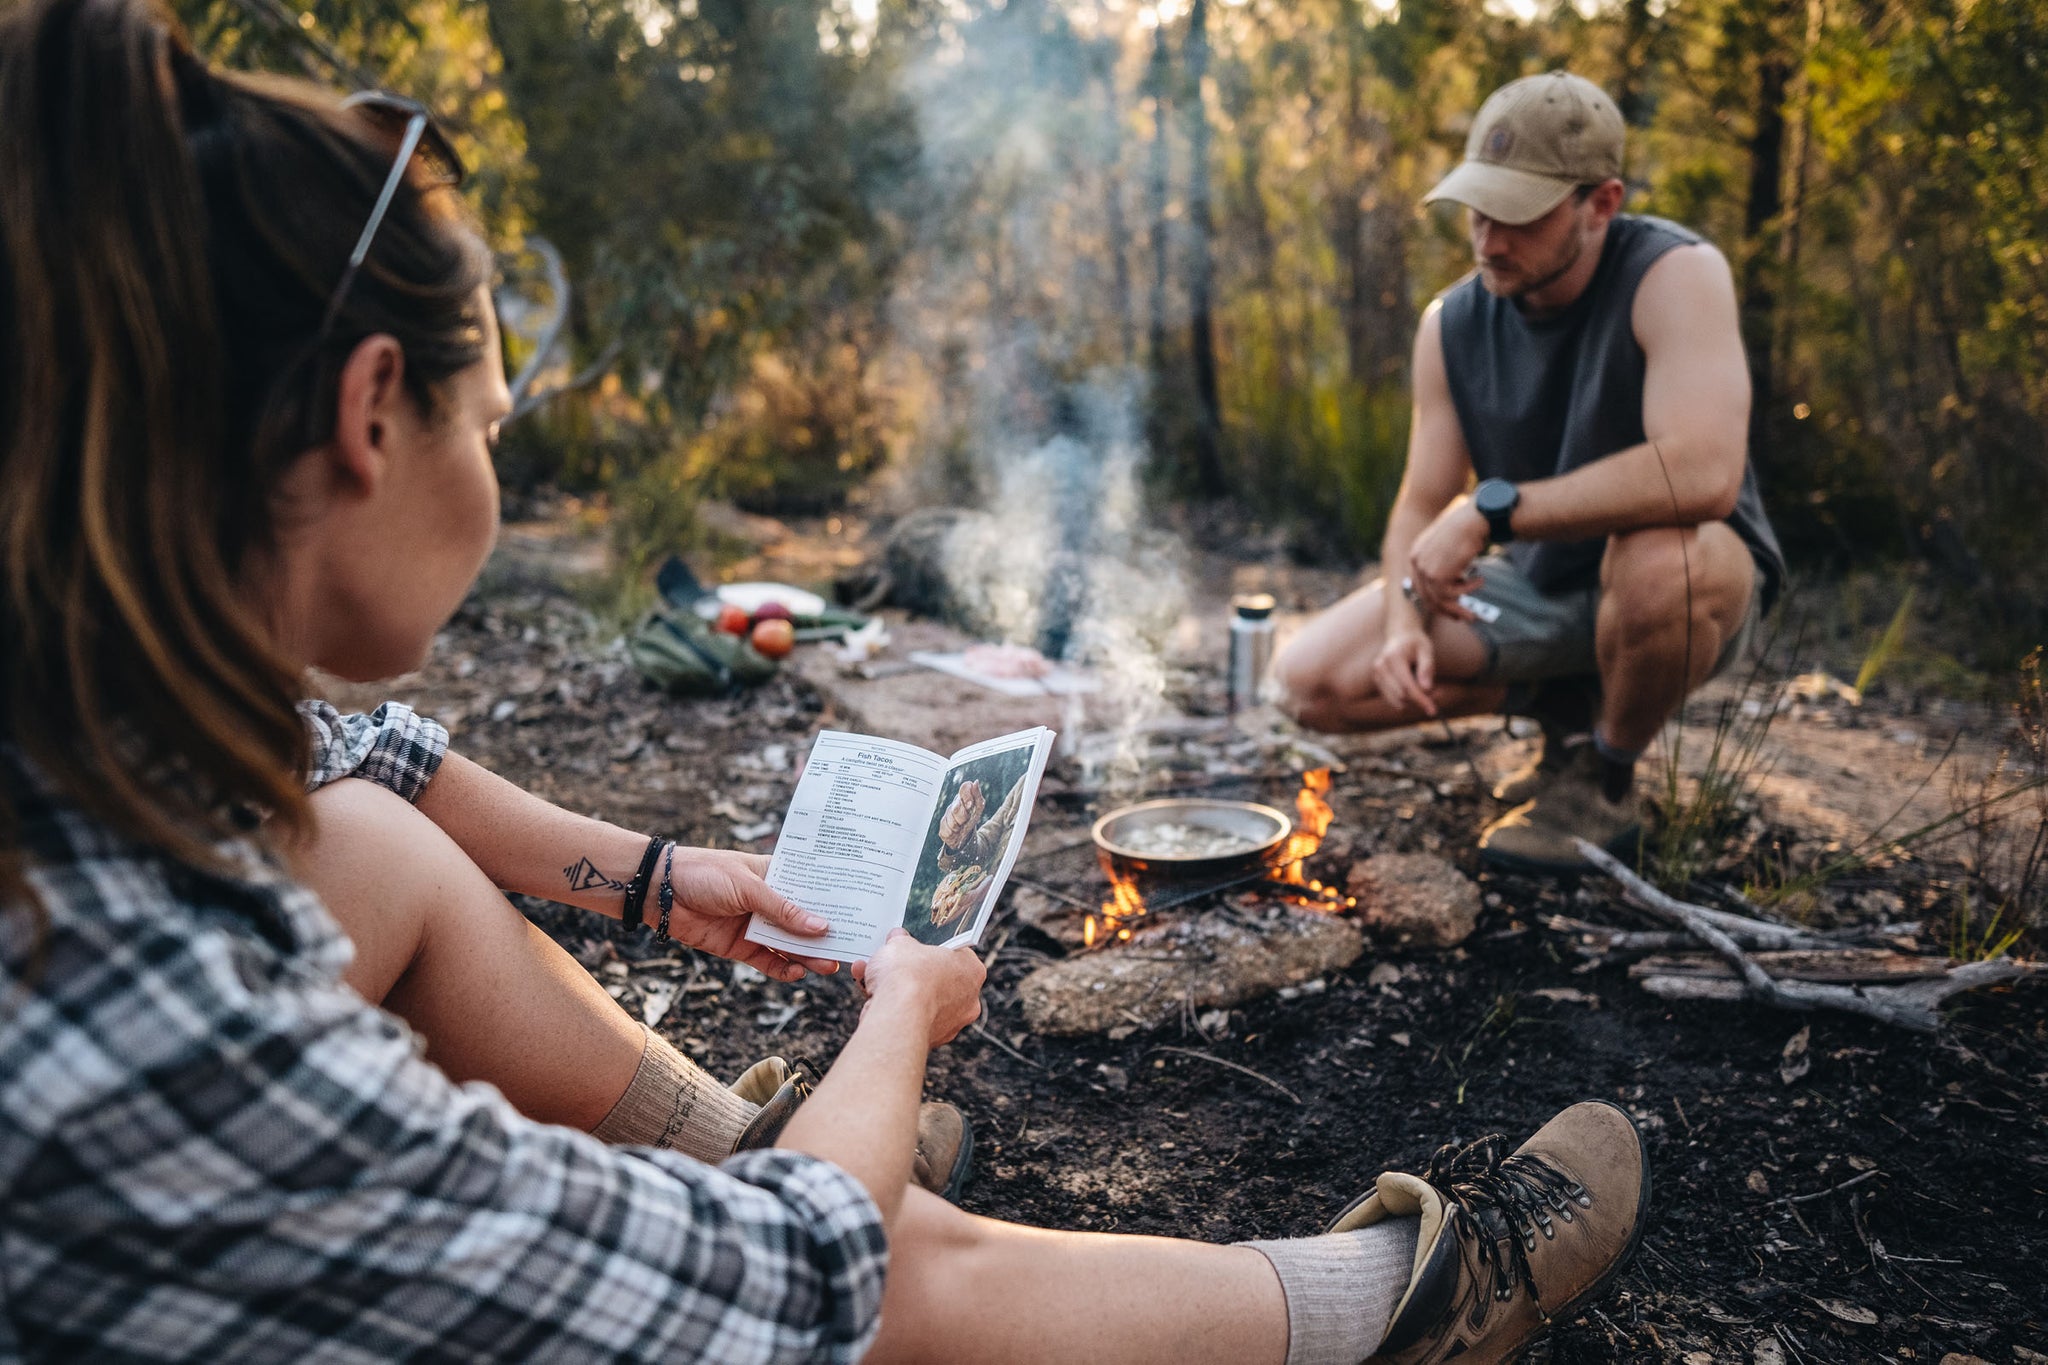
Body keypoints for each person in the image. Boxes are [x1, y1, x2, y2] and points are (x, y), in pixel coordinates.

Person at [0, 4, 1651, 1360]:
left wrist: (660, 881)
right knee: (885, 1287)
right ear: (372, 415)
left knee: (360, 838)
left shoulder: (73, 678)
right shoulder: (171, 1039)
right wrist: (898, 1023)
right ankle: (1406, 1309)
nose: (495, 467)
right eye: (491, 427)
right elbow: (782, 1286)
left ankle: (745, 1133)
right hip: (740, 1272)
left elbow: (357, 755)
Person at [1273, 71, 1787, 874]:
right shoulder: (1451, 322)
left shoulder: (1676, 274)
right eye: (1479, 206)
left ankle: (1606, 776)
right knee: (1313, 681)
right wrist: (1407, 627)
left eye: (1519, 213)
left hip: (1682, 586)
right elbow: (1418, 499)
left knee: (1658, 561)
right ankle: (1567, 710)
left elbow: (1705, 473)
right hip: (1543, 588)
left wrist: (1490, 512)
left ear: (1602, 203)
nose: (1488, 237)